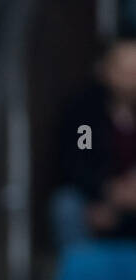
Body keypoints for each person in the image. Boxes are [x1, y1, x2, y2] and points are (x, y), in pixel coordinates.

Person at [54, 35, 136, 245]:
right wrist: (105, 192)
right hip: (101, 197)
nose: (131, 76)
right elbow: (79, 161)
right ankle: (82, 273)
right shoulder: (86, 116)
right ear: (105, 70)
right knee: (67, 204)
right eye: (124, 70)